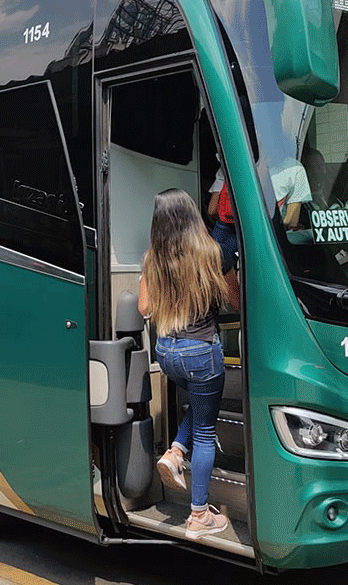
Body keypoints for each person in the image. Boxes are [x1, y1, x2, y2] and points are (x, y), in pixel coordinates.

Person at [138, 188, 240, 540]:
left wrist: (146, 273)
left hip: (167, 353)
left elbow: (144, 308)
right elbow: (235, 301)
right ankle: (199, 516)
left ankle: (175, 451)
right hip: (201, 352)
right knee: (206, 428)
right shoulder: (212, 252)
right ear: (193, 215)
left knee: (199, 405)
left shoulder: (153, 257)